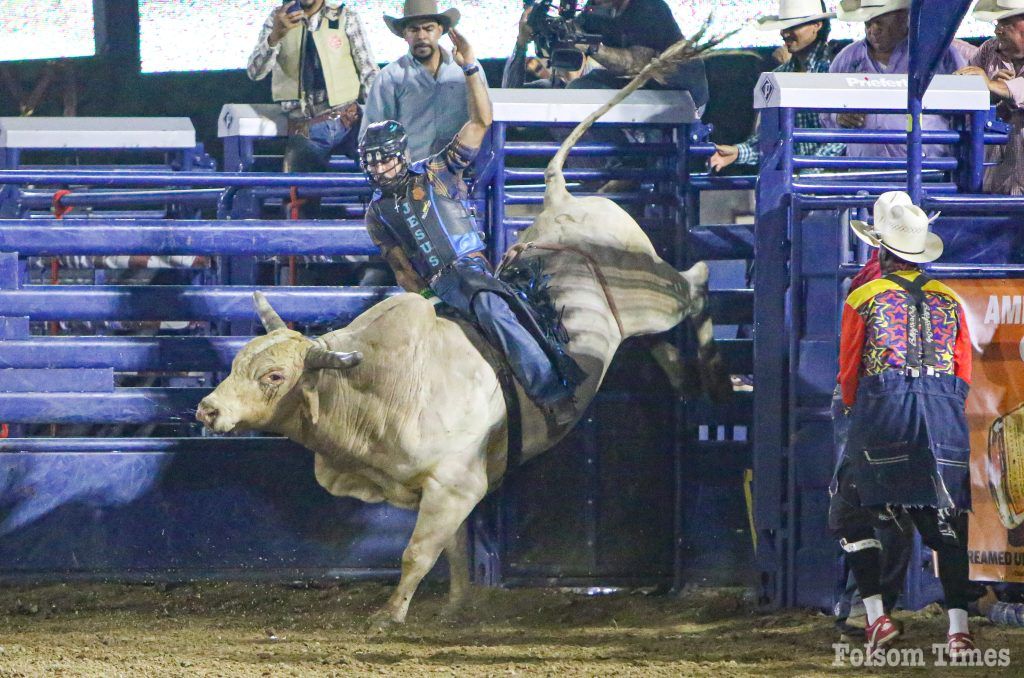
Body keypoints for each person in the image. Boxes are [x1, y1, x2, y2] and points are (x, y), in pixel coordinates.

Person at [359, 29, 584, 422]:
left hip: (471, 272)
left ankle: (551, 392)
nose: (380, 168)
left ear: (401, 155)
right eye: (373, 161)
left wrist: (471, 67)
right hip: (436, 286)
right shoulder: (377, 213)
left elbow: (481, 120)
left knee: (492, 310)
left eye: (385, 159)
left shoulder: (437, 171)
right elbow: (401, 268)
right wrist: (425, 300)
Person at [829, 191, 976, 657]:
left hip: (884, 411)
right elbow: (963, 368)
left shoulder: (863, 297)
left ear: (883, 250)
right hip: (943, 413)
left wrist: (858, 411)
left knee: (851, 512)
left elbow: (849, 369)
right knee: (945, 523)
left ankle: (876, 617)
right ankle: (958, 630)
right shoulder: (950, 299)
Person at [247, 0, 378, 217]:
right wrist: (275, 37)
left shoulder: (345, 17)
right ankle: (304, 236)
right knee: (298, 196)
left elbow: (369, 72)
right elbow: (255, 72)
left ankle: (389, 229)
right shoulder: (277, 20)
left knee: (386, 166)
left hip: (349, 120)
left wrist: (378, 118)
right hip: (306, 128)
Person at [709, 0, 845, 172]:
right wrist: (738, 152)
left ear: (817, 25)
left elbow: (844, 135)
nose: (784, 33)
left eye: (793, 26)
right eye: (783, 27)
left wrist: (810, 170)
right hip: (794, 178)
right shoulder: (778, 76)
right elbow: (769, 137)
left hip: (828, 180)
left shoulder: (836, 70)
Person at [823, 0, 966, 158]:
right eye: (868, 23)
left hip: (928, 165)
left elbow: (964, 102)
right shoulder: (847, 58)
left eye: (880, 22)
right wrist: (838, 116)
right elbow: (825, 108)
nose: (873, 30)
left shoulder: (938, 54)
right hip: (865, 166)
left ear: (903, 16)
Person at [361, 1, 472, 161]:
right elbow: (370, 136)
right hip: (410, 170)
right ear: (404, 34)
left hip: (461, 167)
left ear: (440, 30)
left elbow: (484, 120)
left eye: (428, 28)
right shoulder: (389, 78)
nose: (421, 36)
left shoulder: (466, 69)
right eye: (413, 29)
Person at [565, 0, 708, 110]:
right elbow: (577, 30)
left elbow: (637, 65)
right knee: (579, 89)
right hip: (640, 85)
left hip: (679, 92)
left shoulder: (650, 7)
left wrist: (589, 46)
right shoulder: (599, 7)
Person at [956, 1, 1024, 195]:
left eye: (1005, 22)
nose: (997, 30)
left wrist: (996, 87)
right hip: (994, 184)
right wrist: (988, 94)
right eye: (997, 22)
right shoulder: (989, 50)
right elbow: (964, 98)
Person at [502, 4, 591, 89]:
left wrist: (521, 43)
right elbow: (511, 93)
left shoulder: (595, 81)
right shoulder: (546, 88)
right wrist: (521, 42)